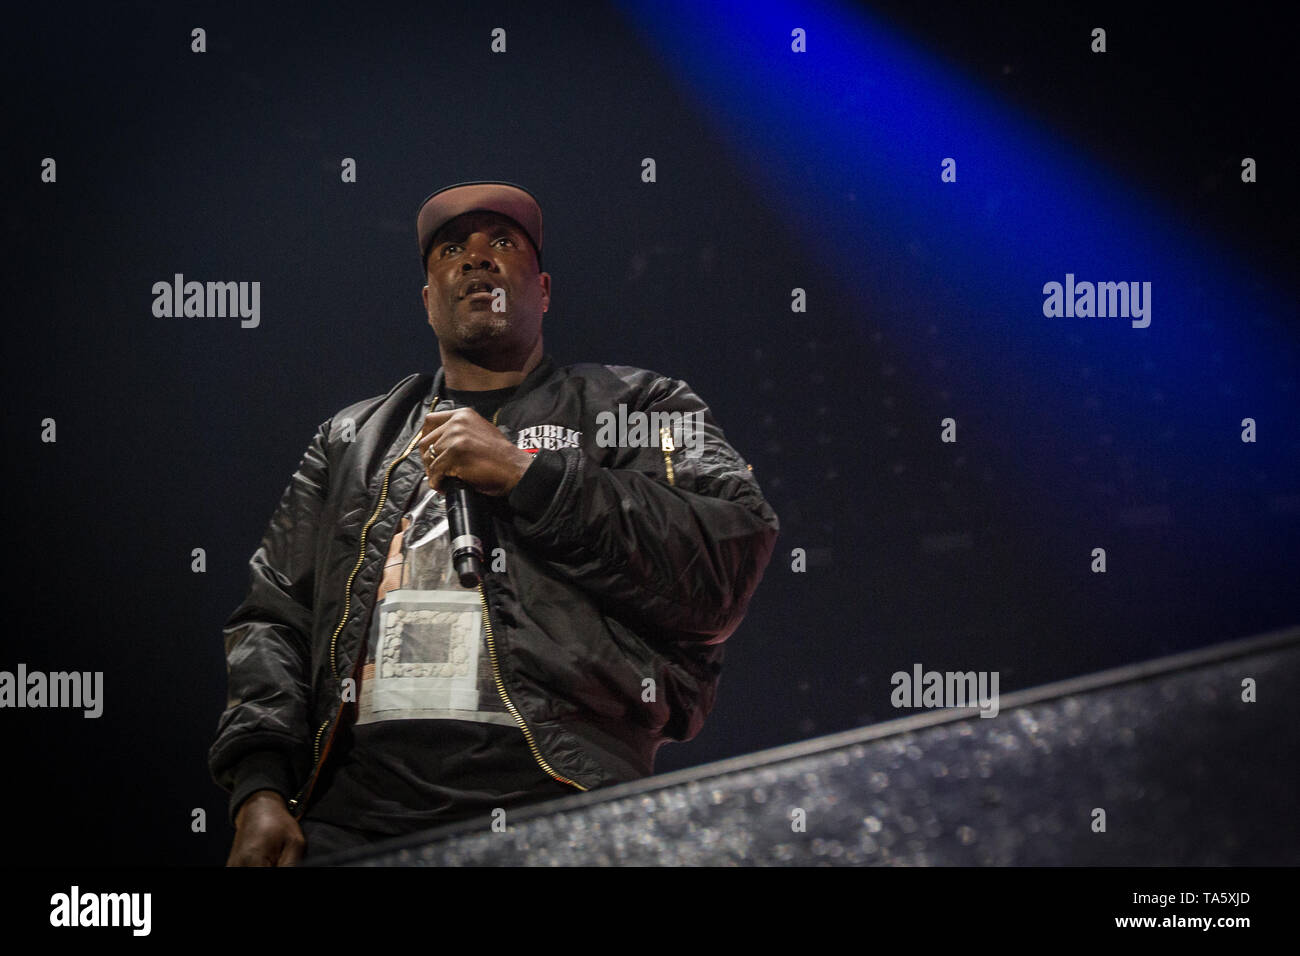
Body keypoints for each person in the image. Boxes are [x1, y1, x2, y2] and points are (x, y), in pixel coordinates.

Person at [209, 180, 780, 865]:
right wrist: (261, 786)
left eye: (501, 243)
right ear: (428, 300)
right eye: (452, 249)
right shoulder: (350, 440)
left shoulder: (640, 404)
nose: (476, 259)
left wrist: (528, 476)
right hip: (355, 819)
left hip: (564, 803)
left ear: (543, 291)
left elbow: (725, 559)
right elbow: (273, 616)